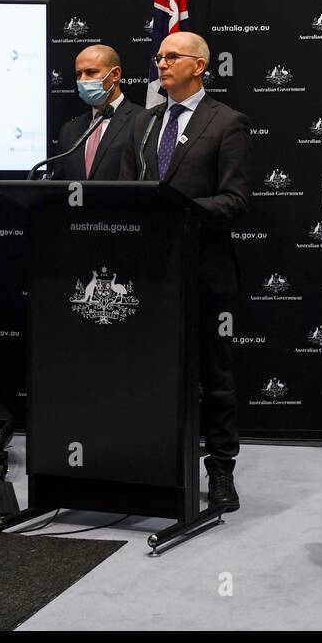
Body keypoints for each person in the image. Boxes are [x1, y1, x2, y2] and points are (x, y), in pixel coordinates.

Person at [121, 31, 251, 511]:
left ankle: (219, 470)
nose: (162, 63)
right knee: (151, 372)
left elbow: (235, 200)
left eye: (172, 57)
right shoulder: (145, 123)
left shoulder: (227, 123)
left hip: (205, 271)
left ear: (199, 65)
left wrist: (177, 207)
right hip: (149, 274)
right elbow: (130, 190)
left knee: (214, 376)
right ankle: (153, 462)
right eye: (159, 56)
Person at [51, 45, 141, 180]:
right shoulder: (69, 130)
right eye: (78, 74)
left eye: (91, 72)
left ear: (115, 74)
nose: (83, 80)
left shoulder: (142, 120)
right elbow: (59, 184)